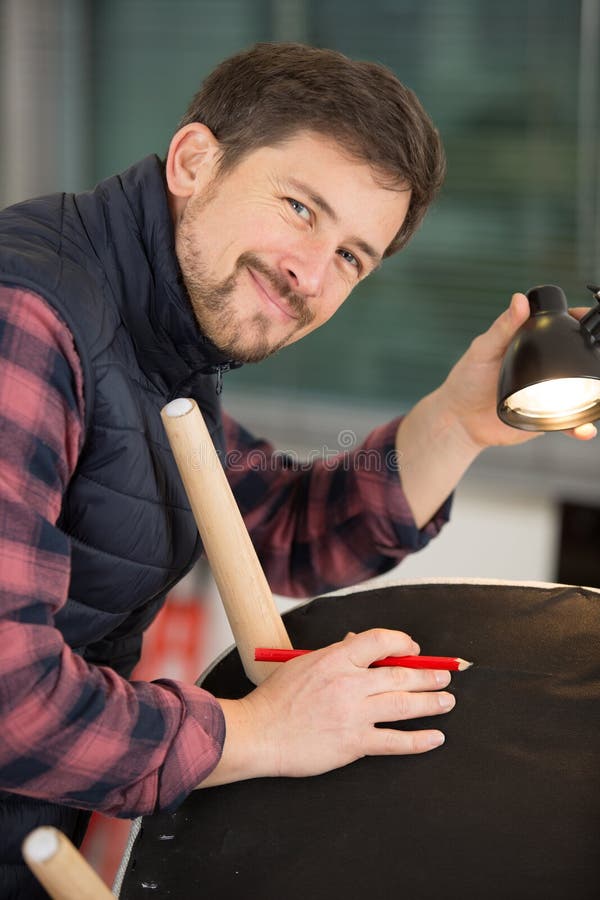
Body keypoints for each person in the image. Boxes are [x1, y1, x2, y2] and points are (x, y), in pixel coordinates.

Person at [0, 42, 594, 897]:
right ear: (195, 161)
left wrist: (458, 422)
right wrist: (259, 734)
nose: (311, 275)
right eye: (301, 208)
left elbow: (281, 530)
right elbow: (11, 699)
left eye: (353, 255)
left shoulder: (154, 336)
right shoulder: (30, 314)